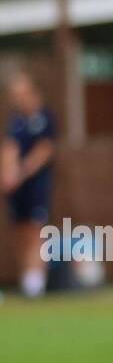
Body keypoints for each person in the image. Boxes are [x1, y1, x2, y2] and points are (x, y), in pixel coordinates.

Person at [2, 71, 57, 298]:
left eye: (21, 93)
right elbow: (9, 149)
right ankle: (26, 277)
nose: (18, 99)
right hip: (17, 188)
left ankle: (34, 283)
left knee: (36, 231)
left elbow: (44, 150)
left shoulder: (45, 118)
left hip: (35, 185)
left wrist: (21, 173)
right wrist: (8, 174)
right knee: (20, 231)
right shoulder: (16, 122)